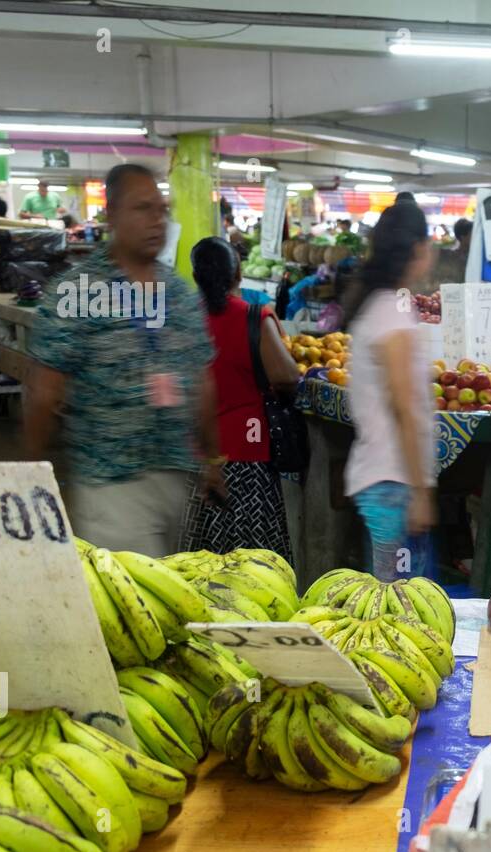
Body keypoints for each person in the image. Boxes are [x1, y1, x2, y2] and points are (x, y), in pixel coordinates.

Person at [25, 163, 222, 556]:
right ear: (111, 214)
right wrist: (28, 478)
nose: (156, 220)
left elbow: (202, 381)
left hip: (177, 476)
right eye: (142, 208)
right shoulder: (77, 291)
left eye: (162, 210)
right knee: (133, 606)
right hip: (111, 484)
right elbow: (45, 393)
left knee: (173, 603)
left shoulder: (179, 293)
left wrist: (214, 458)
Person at [182, 236, 298, 559]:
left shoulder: (183, 322)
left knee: (202, 560)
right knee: (256, 563)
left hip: (201, 457)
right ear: (237, 275)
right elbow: (287, 376)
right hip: (249, 451)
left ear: (196, 277)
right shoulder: (254, 317)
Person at [342, 202, 436, 579]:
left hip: (384, 479)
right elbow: (404, 408)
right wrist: (421, 492)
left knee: (394, 598)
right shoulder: (392, 316)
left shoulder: (379, 306)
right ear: (417, 249)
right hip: (392, 483)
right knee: (398, 603)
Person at [432, 217, 471, 286]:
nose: (474, 238)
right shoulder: (451, 257)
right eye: (471, 235)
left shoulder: (474, 256)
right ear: (463, 237)